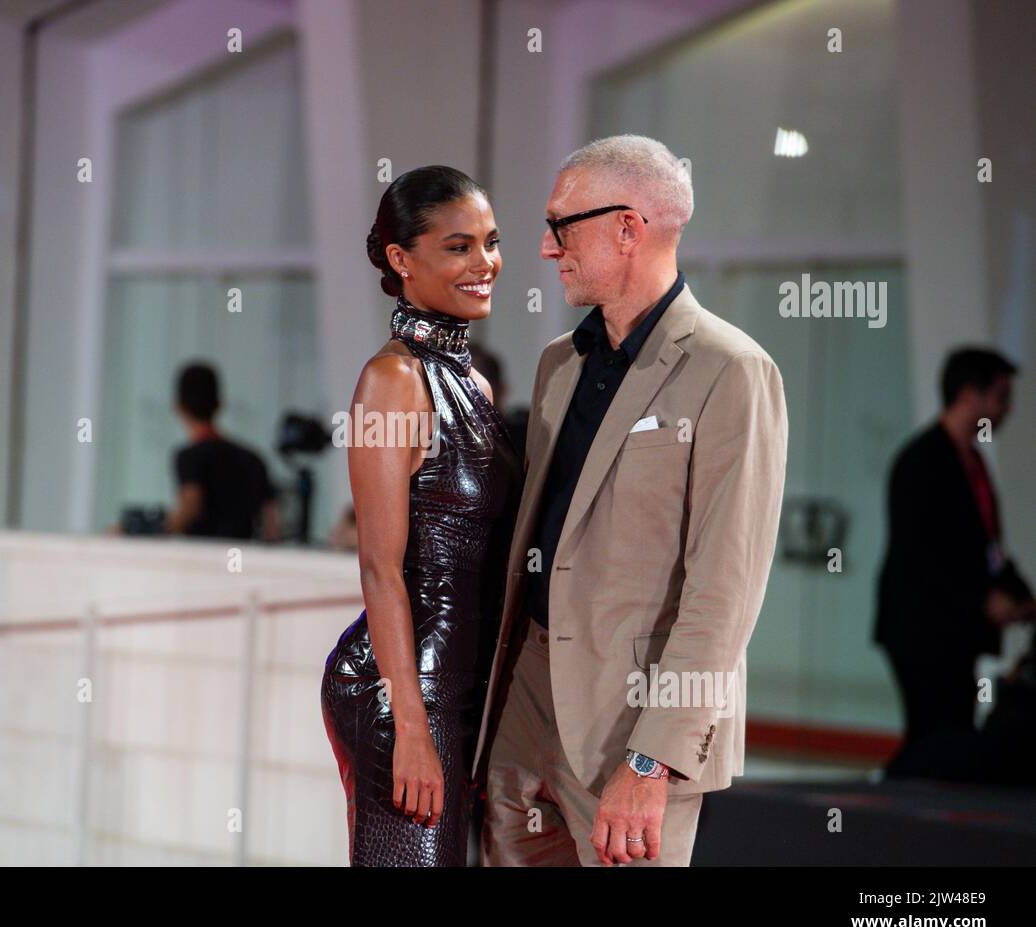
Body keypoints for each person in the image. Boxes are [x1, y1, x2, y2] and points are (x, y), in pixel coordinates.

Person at [474, 135, 788, 867]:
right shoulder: (560, 361)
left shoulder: (732, 371)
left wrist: (653, 763)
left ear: (628, 226)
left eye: (562, 224)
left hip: (632, 723)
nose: (548, 249)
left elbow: (724, 594)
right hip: (523, 705)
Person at [321, 166, 522, 866]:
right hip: (398, 693)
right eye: (459, 246)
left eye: (491, 243)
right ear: (402, 260)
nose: (485, 264)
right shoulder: (391, 381)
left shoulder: (474, 379)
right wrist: (410, 722)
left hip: (459, 690)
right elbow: (379, 566)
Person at [875, 348, 1034, 758]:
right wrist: (983, 601)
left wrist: (1018, 596)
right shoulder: (922, 462)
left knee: (947, 736)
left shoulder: (972, 464)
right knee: (938, 740)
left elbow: (986, 550)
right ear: (969, 395)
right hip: (925, 633)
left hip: (953, 633)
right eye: (1000, 397)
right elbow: (919, 558)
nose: (1006, 411)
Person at [167, 362, 281, 541]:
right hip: (241, 558)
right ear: (220, 404)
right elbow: (272, 524)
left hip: (203, 558)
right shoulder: (253, 458)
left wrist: (148, 529)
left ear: (179, 407)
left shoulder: (189, 457)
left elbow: (191, 507)